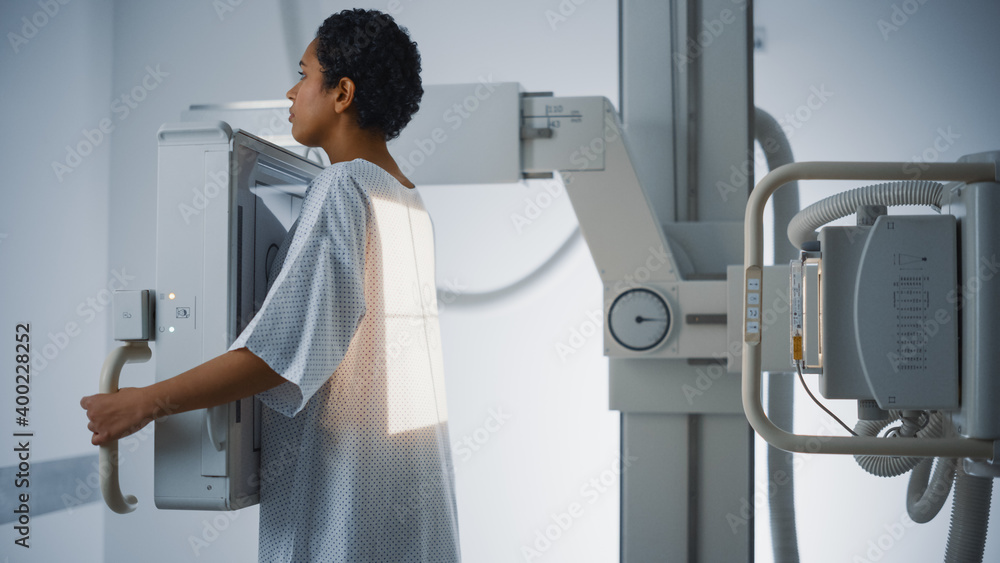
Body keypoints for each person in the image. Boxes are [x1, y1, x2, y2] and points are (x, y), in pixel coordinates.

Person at [81, 9, 461, 562]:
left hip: (350, 520)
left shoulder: (343, 187)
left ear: (342, 92)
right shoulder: (405, 200)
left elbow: (280, 354)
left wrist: (145, 401)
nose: (291, 91)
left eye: (304, 74)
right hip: (409, 510)